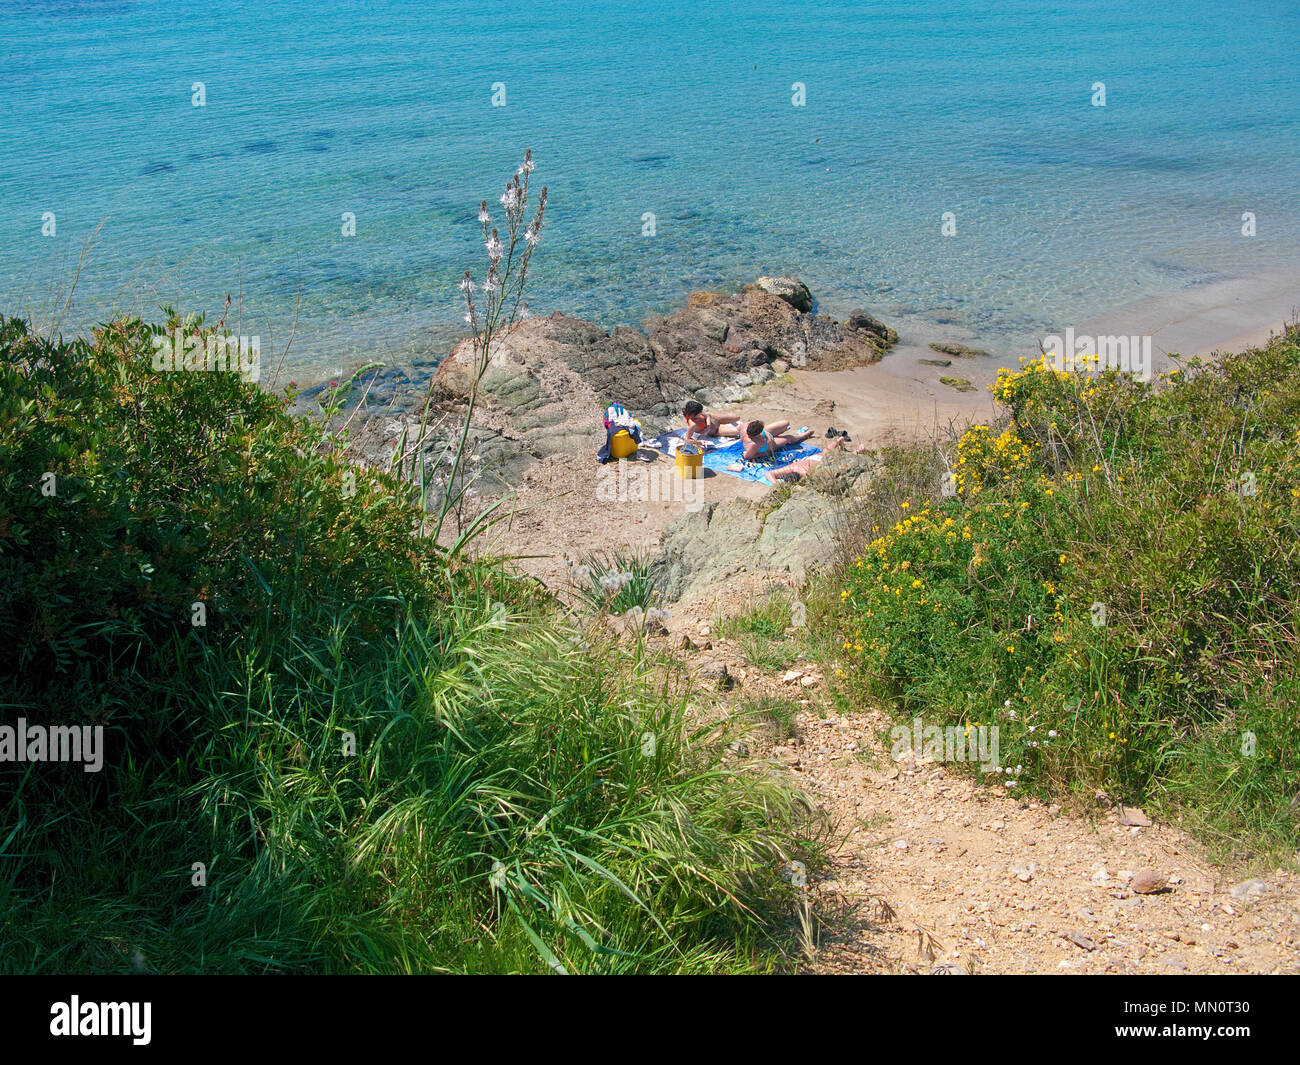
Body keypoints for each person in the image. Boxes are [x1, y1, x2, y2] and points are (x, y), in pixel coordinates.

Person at [762, 434, 868, 483]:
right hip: (814, 459)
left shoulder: (801, 472)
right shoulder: (793, 467)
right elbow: (769, 474)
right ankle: (840, 443)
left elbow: (768, 474)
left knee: (837, 459)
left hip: (819, 463)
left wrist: (777, 486)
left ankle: (858, 451)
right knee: (825, 451)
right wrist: (775, 483)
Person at [739, 419, 814, 462]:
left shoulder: (745, 427)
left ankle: (783, 429)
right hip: (770, 444)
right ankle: (803, 435)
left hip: (765, 434)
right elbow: (747, 457)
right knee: (788, 438)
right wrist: (765, 453)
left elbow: (739, 428)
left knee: (785, 422)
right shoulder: (753, 444)